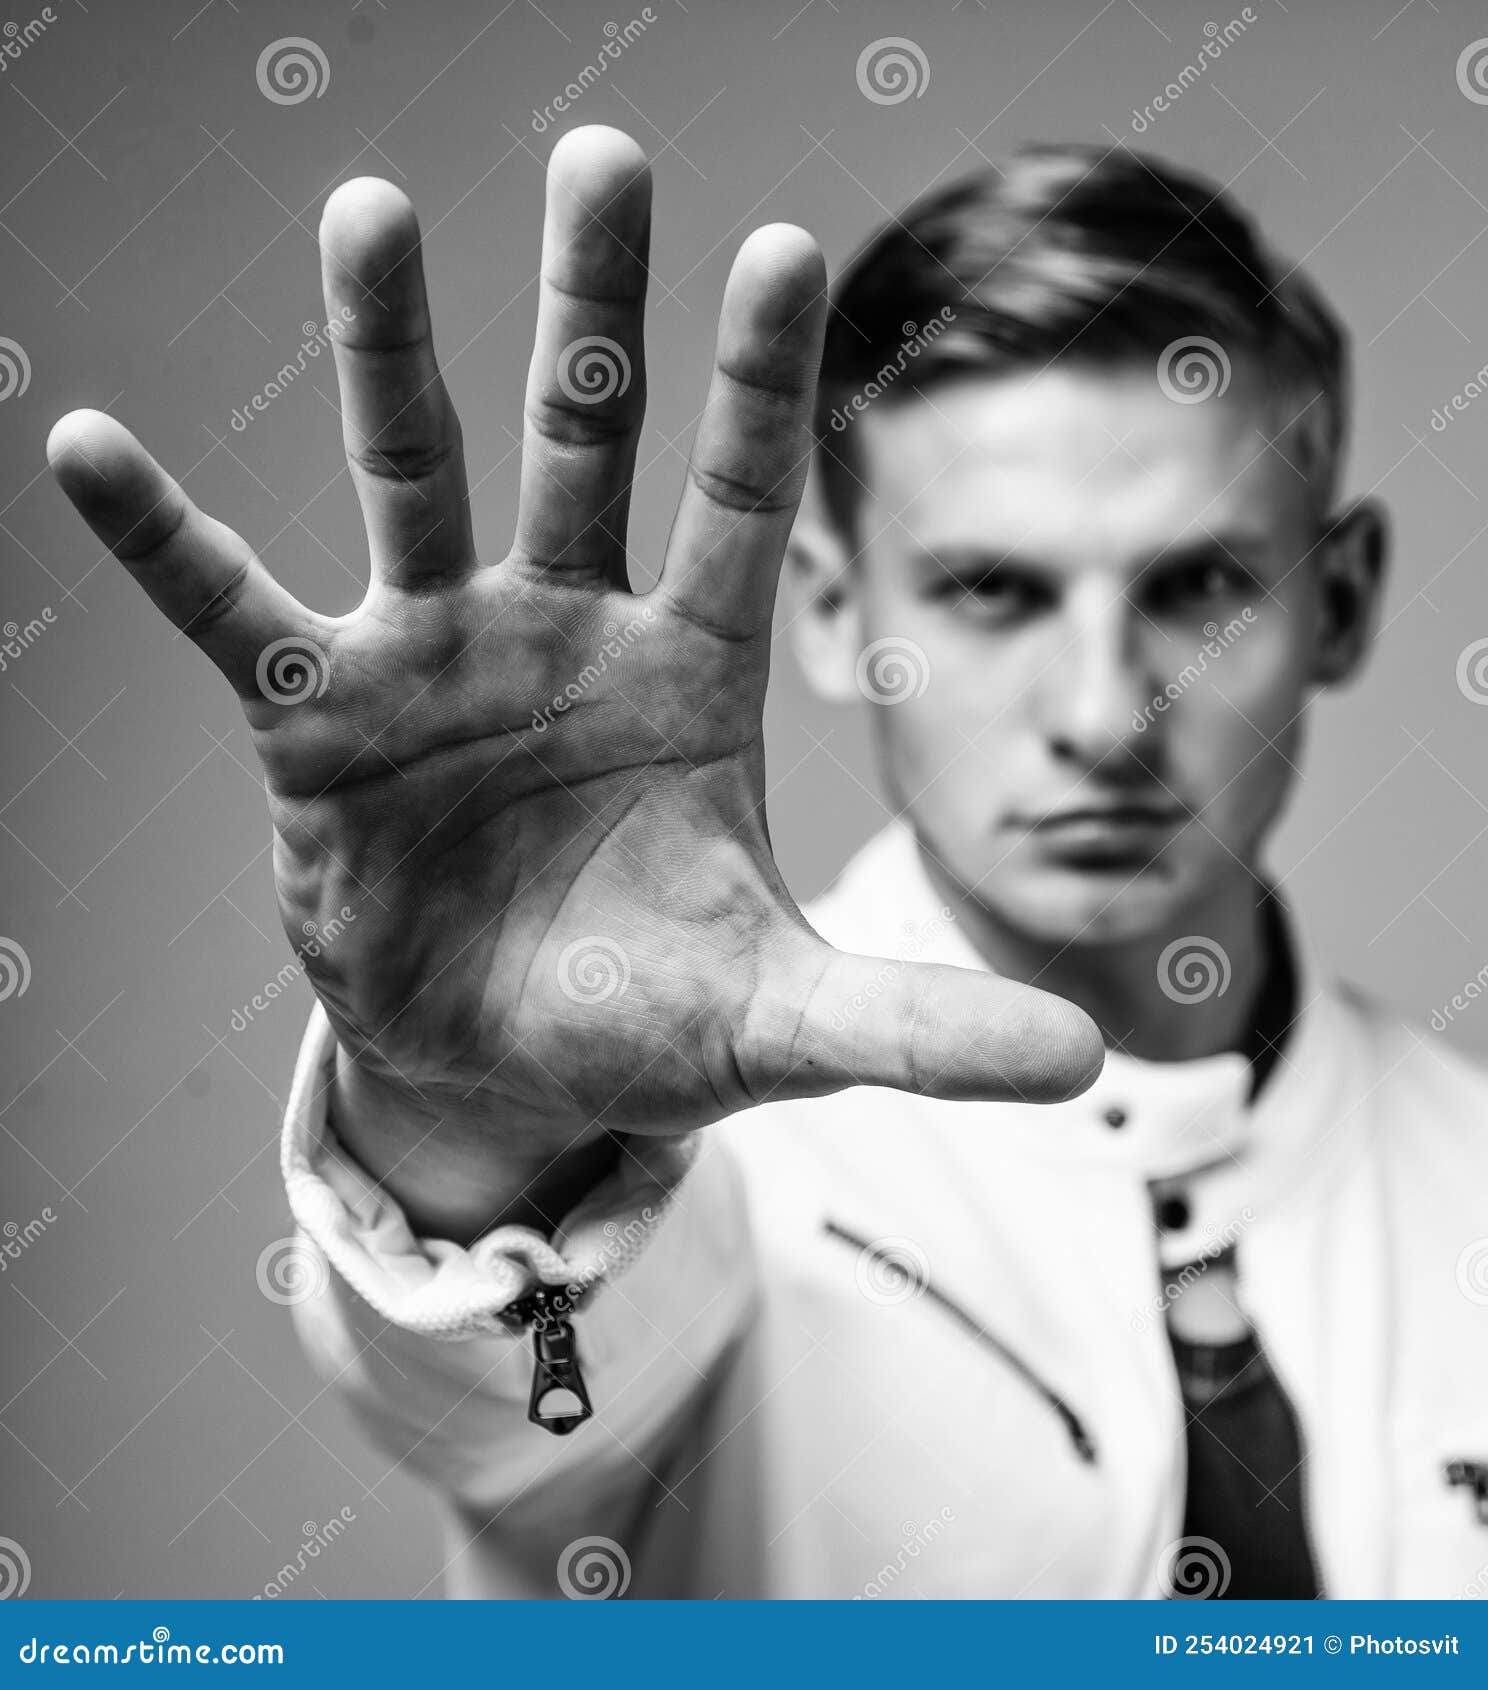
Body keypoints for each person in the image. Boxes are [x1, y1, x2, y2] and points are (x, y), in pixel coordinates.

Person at [45, 124, 1488, 1601]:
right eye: (992, 589)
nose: (1111, 713)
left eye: (1200, 588)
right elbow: (514, 1394)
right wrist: (472, 1131)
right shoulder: (688, 1160)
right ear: (826, 610)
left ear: (1348, 597)